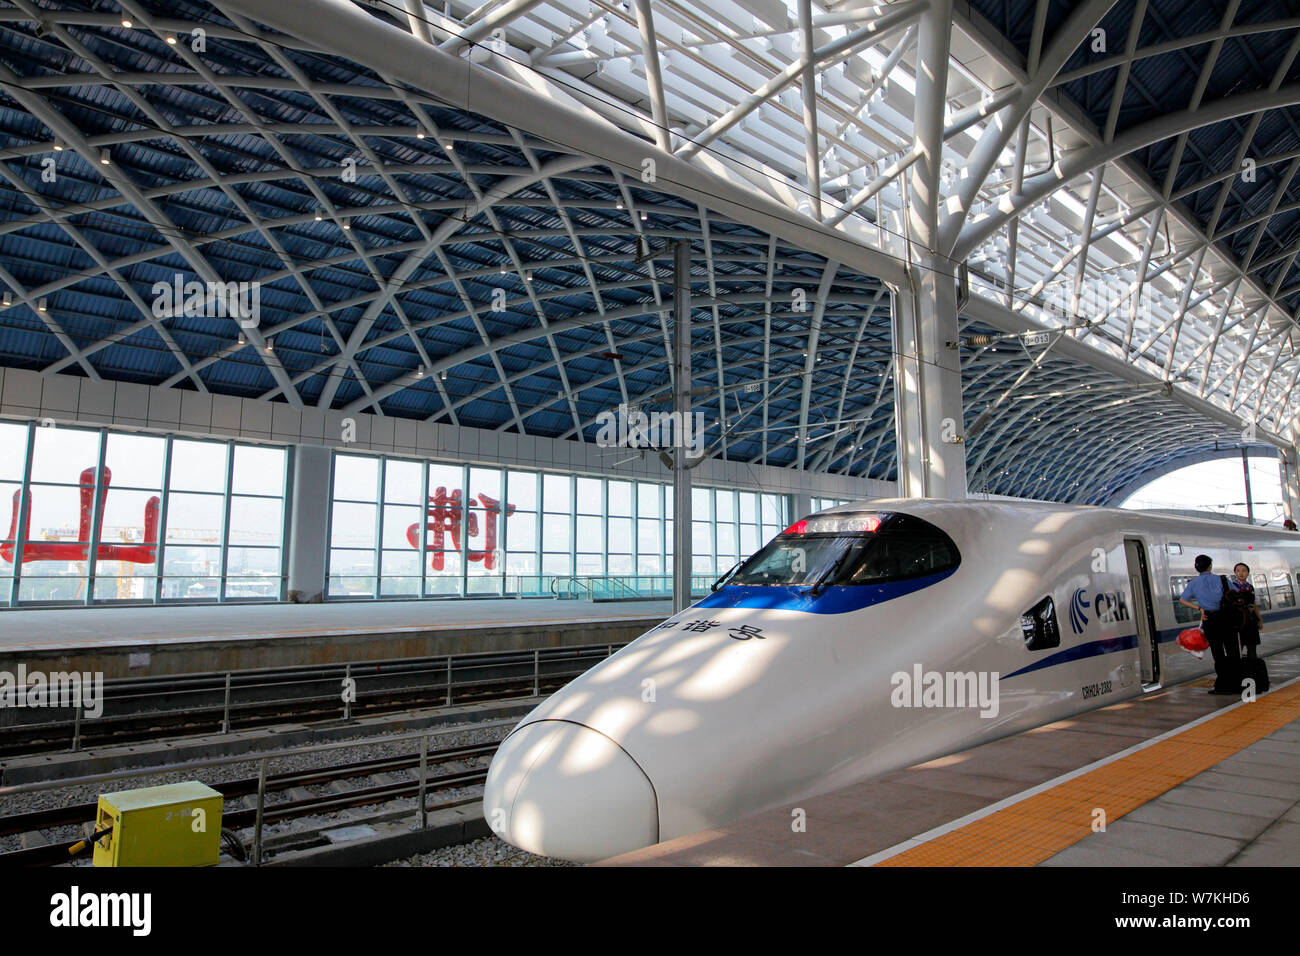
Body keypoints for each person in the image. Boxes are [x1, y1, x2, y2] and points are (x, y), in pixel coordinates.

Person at [1178, 554, 1241, 694]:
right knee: (1233, 651)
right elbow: (1237, 594)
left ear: (1197, 568)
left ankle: (1223, 686)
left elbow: (1182, 600)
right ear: (1210, 566)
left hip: (1209, 619)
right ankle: (1237, 684)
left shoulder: (1193, 583)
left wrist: (1199, 608)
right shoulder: (1222, 579)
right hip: (1227, 619)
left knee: (1218, 654)